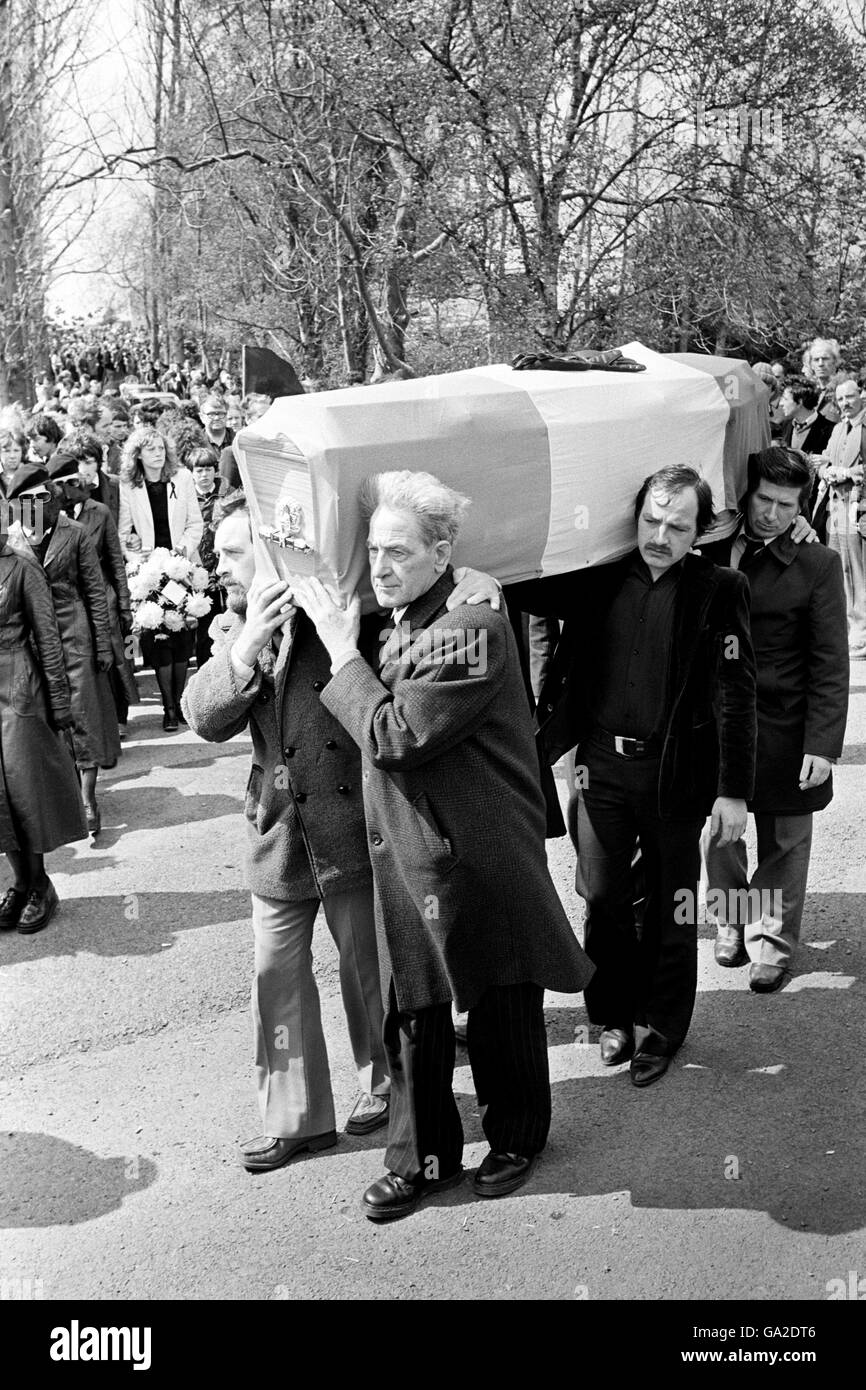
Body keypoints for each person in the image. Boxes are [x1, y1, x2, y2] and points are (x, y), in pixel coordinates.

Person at [292, 470, 594, 1221]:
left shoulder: (472, 627)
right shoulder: (402, 611)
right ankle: (419, 1161)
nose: (383, 567)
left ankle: (517, 1138)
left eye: (399, 552)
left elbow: (397, 733)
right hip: (409, 848)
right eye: (374, 551)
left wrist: (339, 647)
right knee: (415, 1008)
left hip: (477, 843)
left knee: (500, 991)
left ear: (442, 552)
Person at [507, 466, 757, 1089]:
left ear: (700, 532)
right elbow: (527, 589)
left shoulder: (719, 588)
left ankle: (663, 1028)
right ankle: (613, 1016)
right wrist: (485, 572)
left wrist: (733, 791)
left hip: (675, 774)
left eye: (677, 526)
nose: (660, 535)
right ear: (635, 516)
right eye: (651, 520)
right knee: (602, 900)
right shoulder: (595, 577)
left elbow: (736, 692)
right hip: (598, 769)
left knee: (675, 904)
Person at [181, 494, 391, 1171]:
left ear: (272, 552)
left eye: (236, 550)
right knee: (276, 974)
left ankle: (385, 1082)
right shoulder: (239, 627)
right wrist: (242, 648)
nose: (223, 564)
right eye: (221, 553)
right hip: (277, 831)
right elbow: (203, 717)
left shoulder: (342, 605)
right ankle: (297, 1117)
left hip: (349, 823)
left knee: (369, 969)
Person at [699, 447, 849, 992]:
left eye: (788, 505)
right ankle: (730, 921)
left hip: (787, 724)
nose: (773, 514)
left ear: (802, 507)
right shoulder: (710, 548)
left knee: (786, 841)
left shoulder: (819, 564)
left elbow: (830, 660)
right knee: (721, 835)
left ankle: (773, 943)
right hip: (719, 722)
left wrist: (824, 743)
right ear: (746, 491)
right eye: (765, 498)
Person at [5, 465, 119, 840]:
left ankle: (88, 799)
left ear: (52, 495)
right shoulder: (14, 541)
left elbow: (95, 590)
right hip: (32, 645)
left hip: (74, 633)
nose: (37, 505)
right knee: (49, 724)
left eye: (42, 496)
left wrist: (103, 643)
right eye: (28, 500)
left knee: (82, 716)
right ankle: (65, 794)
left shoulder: (76, 532)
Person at [0, 518, 87, 934]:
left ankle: (40, 885)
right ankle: (19, 883)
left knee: (24, 787)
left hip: (18, 686)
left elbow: (48, 637)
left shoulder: (20, 566)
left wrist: (58, 701)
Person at [53, 444, 138, 744]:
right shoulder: (45, 517)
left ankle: (118, 717)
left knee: (115, 660)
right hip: (66, 604)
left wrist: (125, 605)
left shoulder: (99, 512)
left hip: (103, 596)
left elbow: (115, 560)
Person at [119, 427, 203, 729]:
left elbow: (196, 523)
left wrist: (182, 550)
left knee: (182, 636)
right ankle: (167, 707)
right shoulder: (129, 485)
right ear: (138, 454)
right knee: (156, 636)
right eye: (150, 449)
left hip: (179, 567)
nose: (158, 453)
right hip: (150, 572)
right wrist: (135, 557)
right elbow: (123, 532)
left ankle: (180, 704)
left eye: (161, 448)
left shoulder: (182, 478)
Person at [814, 377, 866, 654]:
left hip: (859, 507)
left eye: (850, 397)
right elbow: (825, 462)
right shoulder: (837, 429)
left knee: (860, 570)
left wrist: (846, 473)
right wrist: (827, 471)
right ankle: (847, 629)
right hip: (836, 507)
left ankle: (862, 631)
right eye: (841, 399)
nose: (845, 403)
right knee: (840, 567)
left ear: (861, 395)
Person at [187, 447, 228, 669]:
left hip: (222, 564)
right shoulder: (188, 497)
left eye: (208, 470)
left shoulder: (225, 492)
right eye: (199, 470)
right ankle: (205, 669)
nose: (204, 475)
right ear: (192, 473)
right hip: (200, 568)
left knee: (228, 618)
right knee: (204, 625)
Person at [801, 337, 842, 423]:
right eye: (816, 360)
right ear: (811, 364)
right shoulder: (807, 392)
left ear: (835, 361)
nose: (820, 364)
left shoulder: (843, 389)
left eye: (825, 359)